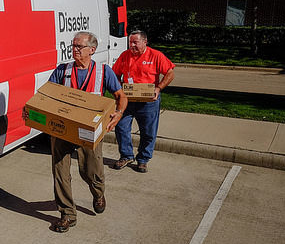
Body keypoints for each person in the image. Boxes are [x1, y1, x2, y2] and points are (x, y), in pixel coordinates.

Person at [28, 31, 127, 233]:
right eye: (73, 46)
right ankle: (67, 214)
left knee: (90, 169)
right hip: (62, 130)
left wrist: (118, 113)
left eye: (78, 47)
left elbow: (120, 96)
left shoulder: (103, 72)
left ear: (92, 50)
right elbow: (47, 96)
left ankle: (98, 192)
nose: (74, 50)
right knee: (60, 172)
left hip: (89, 132)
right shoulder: (62, 71)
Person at [110, 30, 175, 173]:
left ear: (145, 42)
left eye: (135, 42)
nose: (131, 45)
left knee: (148, 132)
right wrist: (118, 89)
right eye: (130, 42)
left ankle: (143, 159)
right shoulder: (125, 56)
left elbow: (170, 73)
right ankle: (126, 155)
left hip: (148, 102)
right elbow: (115, 74)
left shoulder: (156, 55)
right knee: (121, 127)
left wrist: (158, 88)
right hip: (127, 100)